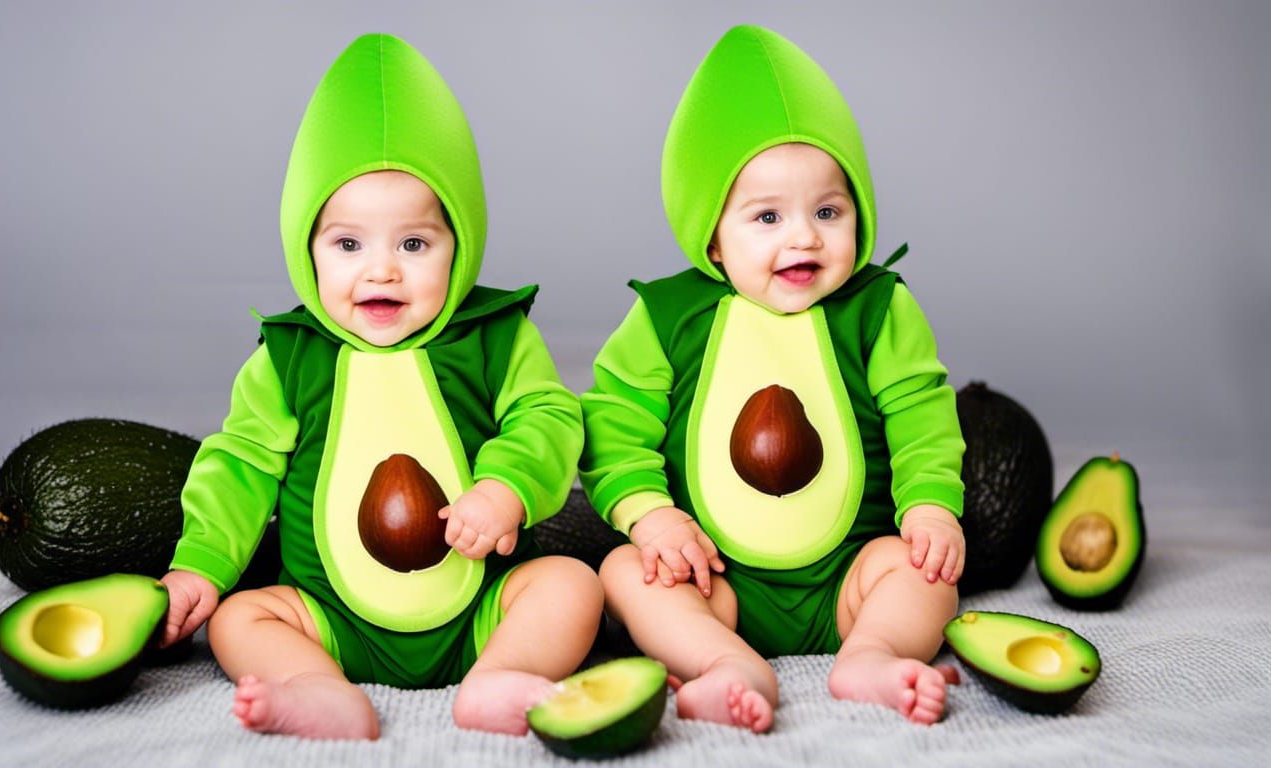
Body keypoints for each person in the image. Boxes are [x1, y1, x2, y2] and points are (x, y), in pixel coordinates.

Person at [157, 34, 601, 741]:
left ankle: (502, 673)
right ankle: (316, 688)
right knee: (242, 618)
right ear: (306, 249)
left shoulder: (493, 334)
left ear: (463, 241)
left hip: (479, 607)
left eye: (414, 245)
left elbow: (547, 413)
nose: (382, 272)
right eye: (348, 245)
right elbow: (241, 461)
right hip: (331, 616)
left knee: (572, 585)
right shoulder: (291, 355)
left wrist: (508, 485)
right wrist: (201, 565)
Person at [581, 25, 966, 731]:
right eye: (766, 217)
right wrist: (651, 514)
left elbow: (922, 413)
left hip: (851, 575)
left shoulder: (878, 308)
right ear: (712, 238)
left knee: (922, 571)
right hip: (716, 580)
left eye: (829, 211)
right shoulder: (667, 318)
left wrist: (931, 507)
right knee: (622, 575)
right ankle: (725, 661)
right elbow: (613, 424)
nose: (804, 238)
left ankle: (872, 655)